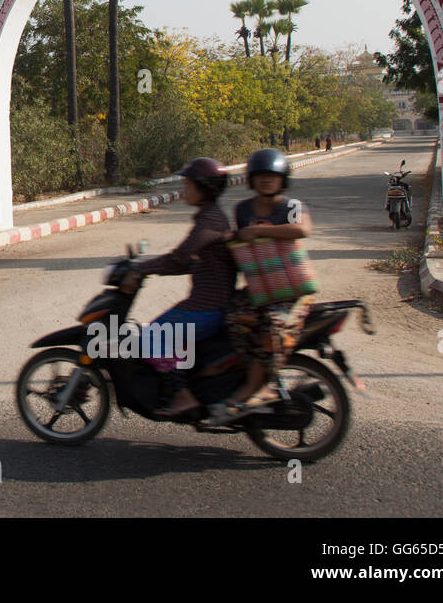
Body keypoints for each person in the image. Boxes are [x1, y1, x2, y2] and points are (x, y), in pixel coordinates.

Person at [119, 157, 234, 420]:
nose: (184, 189)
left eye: (188, 184)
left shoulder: (210, 221)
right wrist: (148, 266)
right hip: (208, 303)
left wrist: (140, 269)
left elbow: (180, 258)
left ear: (203, 187)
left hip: (207, 307)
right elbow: (190, 261)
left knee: (150, 338)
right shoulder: (210, 217)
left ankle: (182, 395)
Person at [212, 148, 314, 422]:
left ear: (283, 179)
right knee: (232, 317)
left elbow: (302, 230)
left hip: (294, 290)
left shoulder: (292, 206)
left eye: (273, 176)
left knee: (273, 327)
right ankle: (247, 377)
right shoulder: (242, 209)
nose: (267, 181)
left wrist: (258, 230)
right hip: (260, 289)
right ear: (251, 179)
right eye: (261, 176)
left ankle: (258, 387)